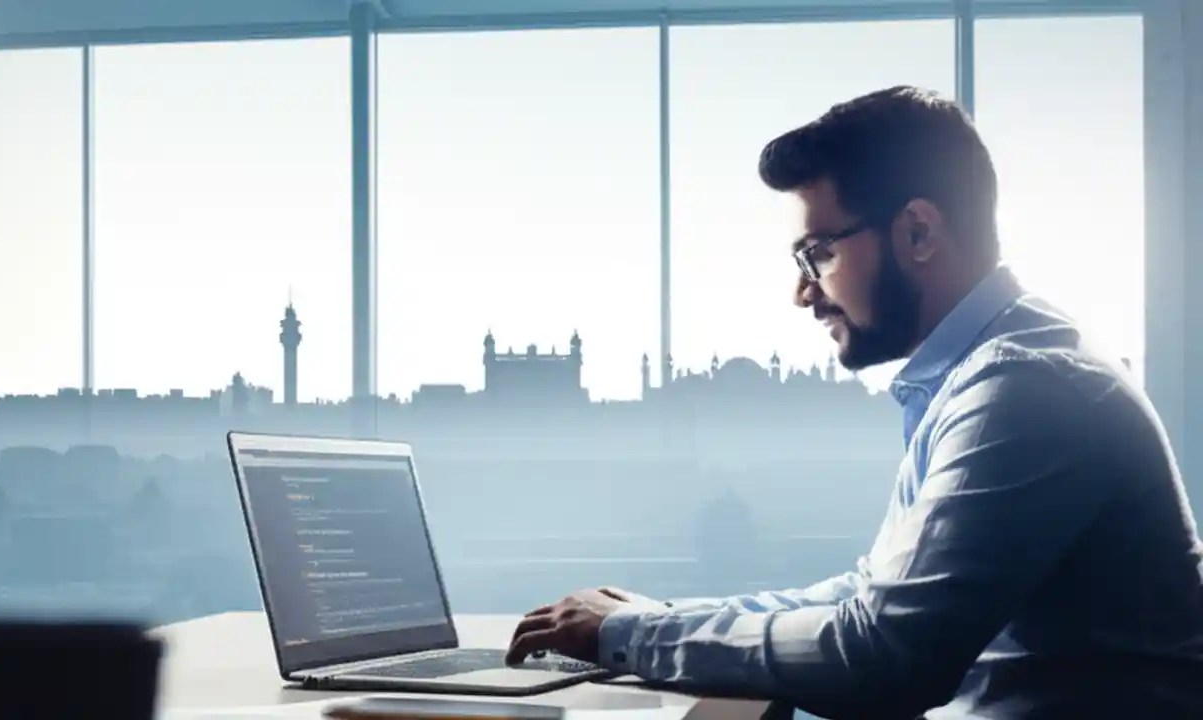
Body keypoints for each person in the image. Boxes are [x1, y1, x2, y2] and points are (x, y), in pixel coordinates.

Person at [505, 86, 1203, 719]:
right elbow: (868, 597)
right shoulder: (987, 373)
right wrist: (653, 620)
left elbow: (882, 655)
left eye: (818, 253)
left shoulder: (1024, 388)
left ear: (919, 232)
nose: (802, 292)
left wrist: (631, 634)